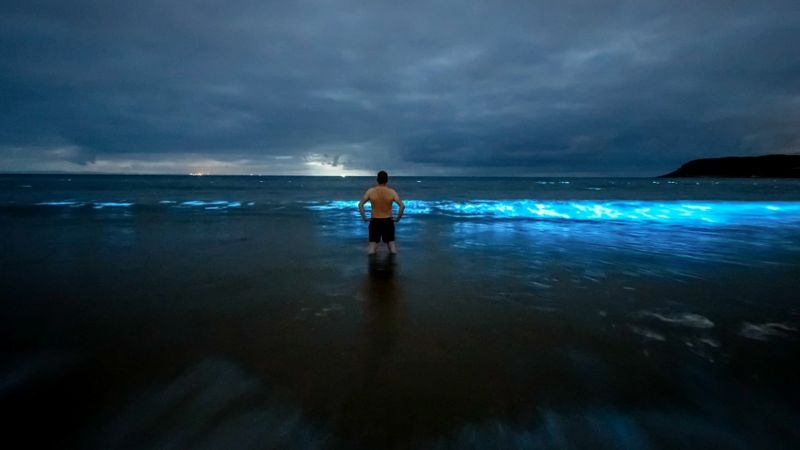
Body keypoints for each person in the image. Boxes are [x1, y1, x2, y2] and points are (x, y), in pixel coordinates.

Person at [358, 170, 405, 254]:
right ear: (387, 180)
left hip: (375, 221)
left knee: (372, 248)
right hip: (388, 221)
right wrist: (398, 218)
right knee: (392, 247)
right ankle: (393, 265)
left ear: (377, 180)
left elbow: (360, 204)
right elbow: (402, 206)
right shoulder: (392, 192)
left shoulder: (370, 191)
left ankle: (372, 266)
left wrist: (364, 217)